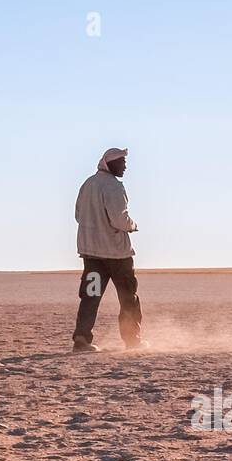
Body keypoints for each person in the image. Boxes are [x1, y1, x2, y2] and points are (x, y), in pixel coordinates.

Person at [71, 147, 145, 351]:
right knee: (127, 296)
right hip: (117, 255)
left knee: (90, 296)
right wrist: (133, 226)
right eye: (121, 162)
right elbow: (119, 219)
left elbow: (78, 215)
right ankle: (132, 339)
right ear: (110, 164)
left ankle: (82, 338)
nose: (125, 166)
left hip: (92, 255)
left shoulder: (88, 184)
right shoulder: (114, 186)